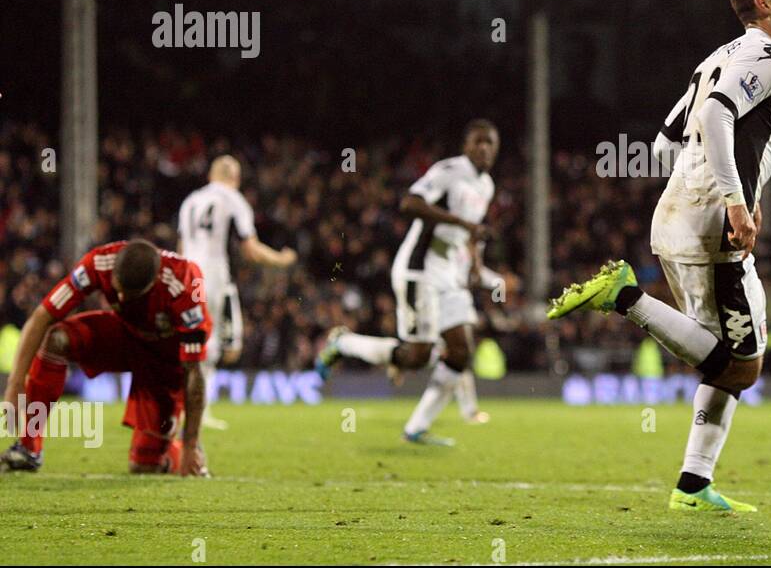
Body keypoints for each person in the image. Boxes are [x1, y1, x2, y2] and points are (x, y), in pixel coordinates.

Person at [547, 0, 771, 513]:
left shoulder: (716, 57)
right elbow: (716, 116)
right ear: (763, 4)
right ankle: (625, 296)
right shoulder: (768, 57)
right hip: (714, 219)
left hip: (684, 212)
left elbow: (667, 139)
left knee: (727, 360)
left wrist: (689, 198)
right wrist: (736, 204)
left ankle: (693, 483)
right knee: (744, 364)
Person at [316, 120, 502, 444]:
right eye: (478, 142)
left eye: (490, 143)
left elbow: (470, 233)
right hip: (421, 269)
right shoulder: (448, 171)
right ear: (466, 145)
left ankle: (416, 428)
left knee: (460, 350)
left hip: (450, 272)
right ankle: (343, 343)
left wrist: (475, 263)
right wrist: (460, 222)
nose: (484, 148)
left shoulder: (486, 186)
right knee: (416, 356)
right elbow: (409, 203)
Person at [1, 239, 211, 475]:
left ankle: (184, 453)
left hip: (166, 360)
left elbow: (194, 370)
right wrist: (16, 382)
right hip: (126, 336)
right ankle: (28, 448)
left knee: (144, 466)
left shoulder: (185, 282)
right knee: (57, 339)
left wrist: (192, 443)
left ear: (153, 283)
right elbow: (42, 315)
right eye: (117, 288)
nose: (120, 298)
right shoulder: (99, 263)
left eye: (130, 295)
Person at [178, 155, 296, 429]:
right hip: (214, 274)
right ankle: (198, 412)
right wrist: (282, 260)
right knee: (212, 343)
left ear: (210, 174)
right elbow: (251, 249)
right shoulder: (233, 199)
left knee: (193, 342)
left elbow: (181, 246)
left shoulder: (191, 201)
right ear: (235, 177)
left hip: (186, 275)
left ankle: (182, 407)